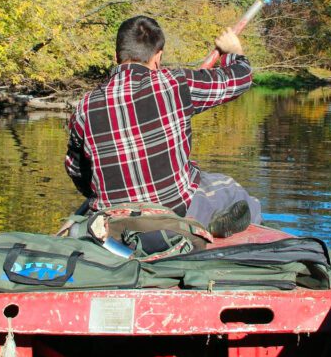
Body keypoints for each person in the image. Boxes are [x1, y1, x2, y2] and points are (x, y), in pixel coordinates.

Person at [65, 15, 262, 237]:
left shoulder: (85, 106)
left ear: (116, 57)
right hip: (172, 212)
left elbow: (76, 170)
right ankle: (211, 228)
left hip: (114, 218)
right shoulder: (175, 84)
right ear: (158, 57)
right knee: (235, 191)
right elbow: (241, 78)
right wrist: (233, 52)